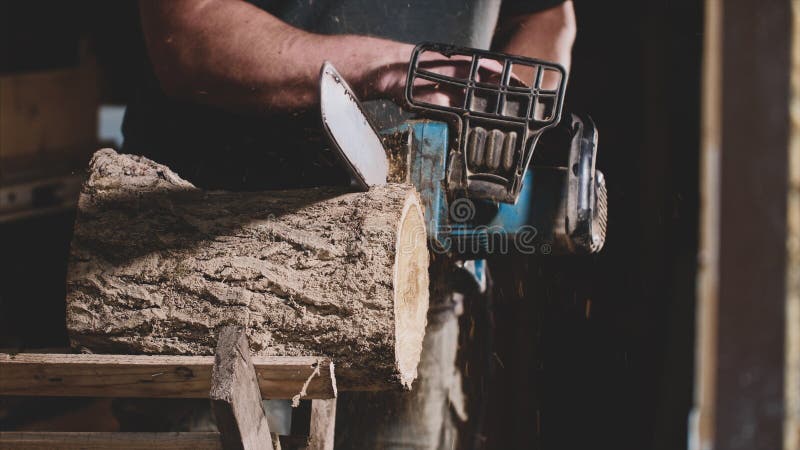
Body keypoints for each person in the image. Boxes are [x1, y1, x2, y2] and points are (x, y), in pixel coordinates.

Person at [120, 1, 575, 448]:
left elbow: (546, 14)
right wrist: (398, 67)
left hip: (415, 282)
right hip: (210, 268)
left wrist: (511, 101)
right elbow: (185, 28)